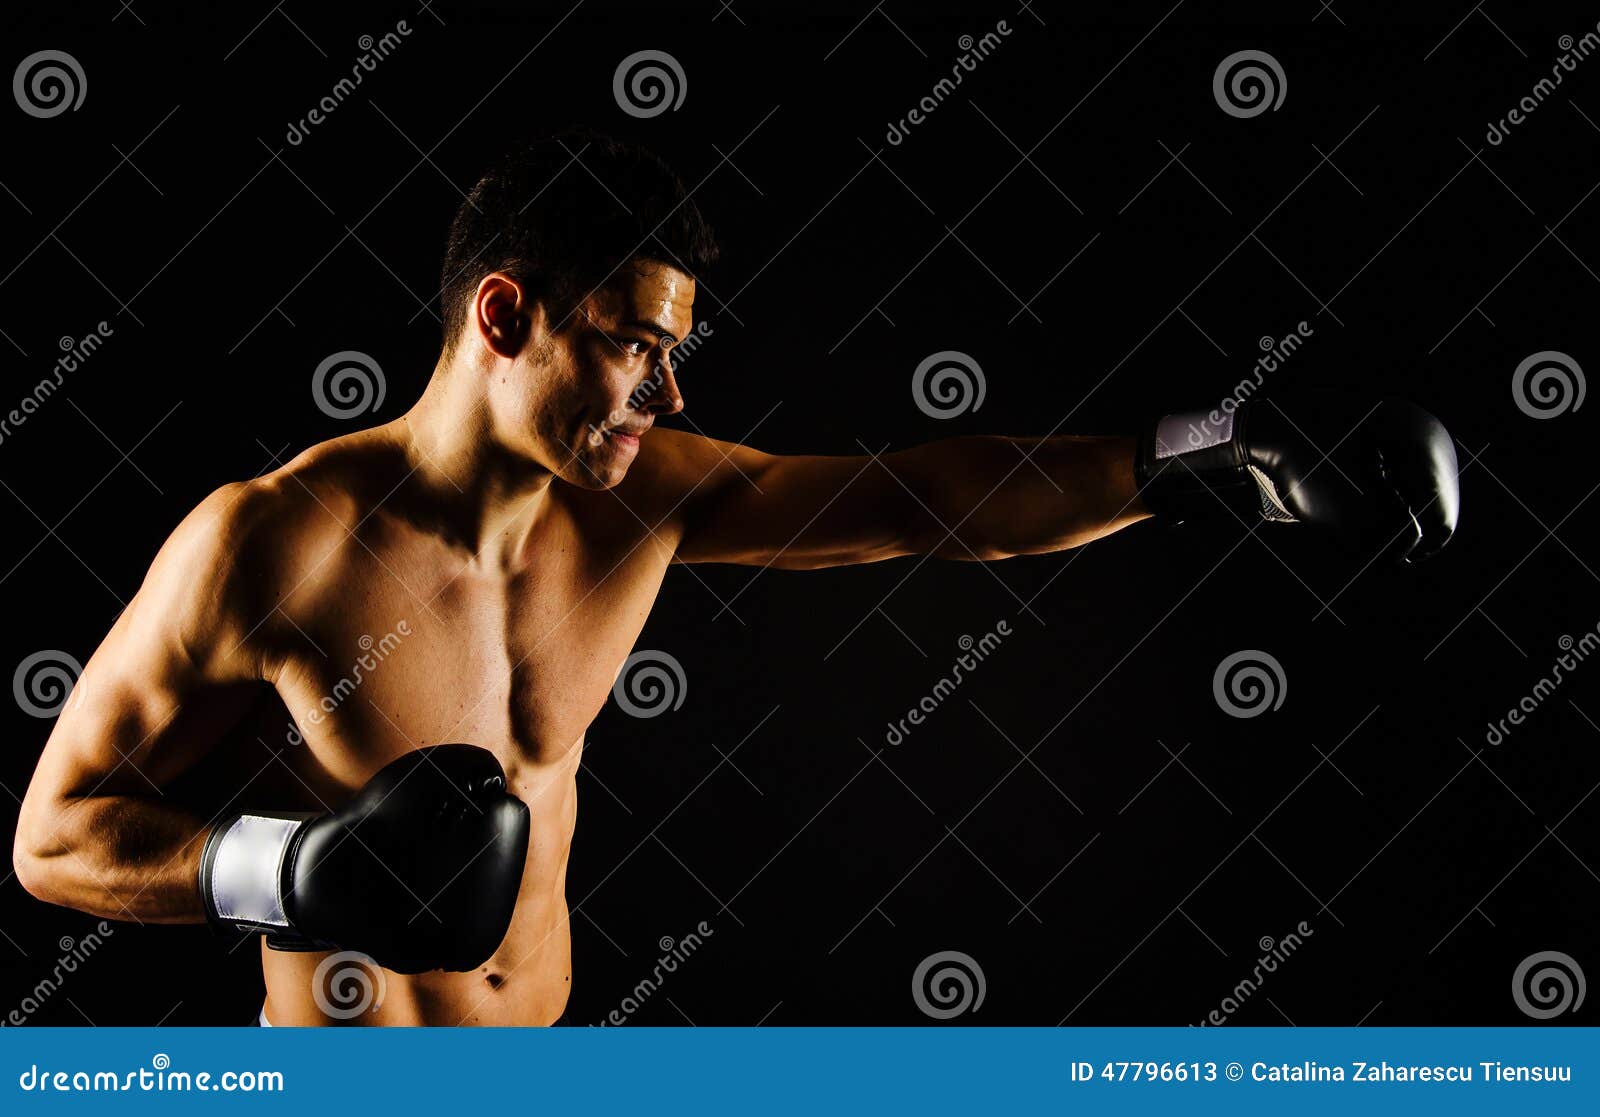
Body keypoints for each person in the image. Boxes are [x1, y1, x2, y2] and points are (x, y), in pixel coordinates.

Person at [11, 132, 1458, 1026]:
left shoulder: (637, 504)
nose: (666, 382)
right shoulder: (270, 543)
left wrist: (1212, 448)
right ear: (503, 312)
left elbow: (924, 499)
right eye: (635, 340)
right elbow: (52, 838)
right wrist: (290, 870)